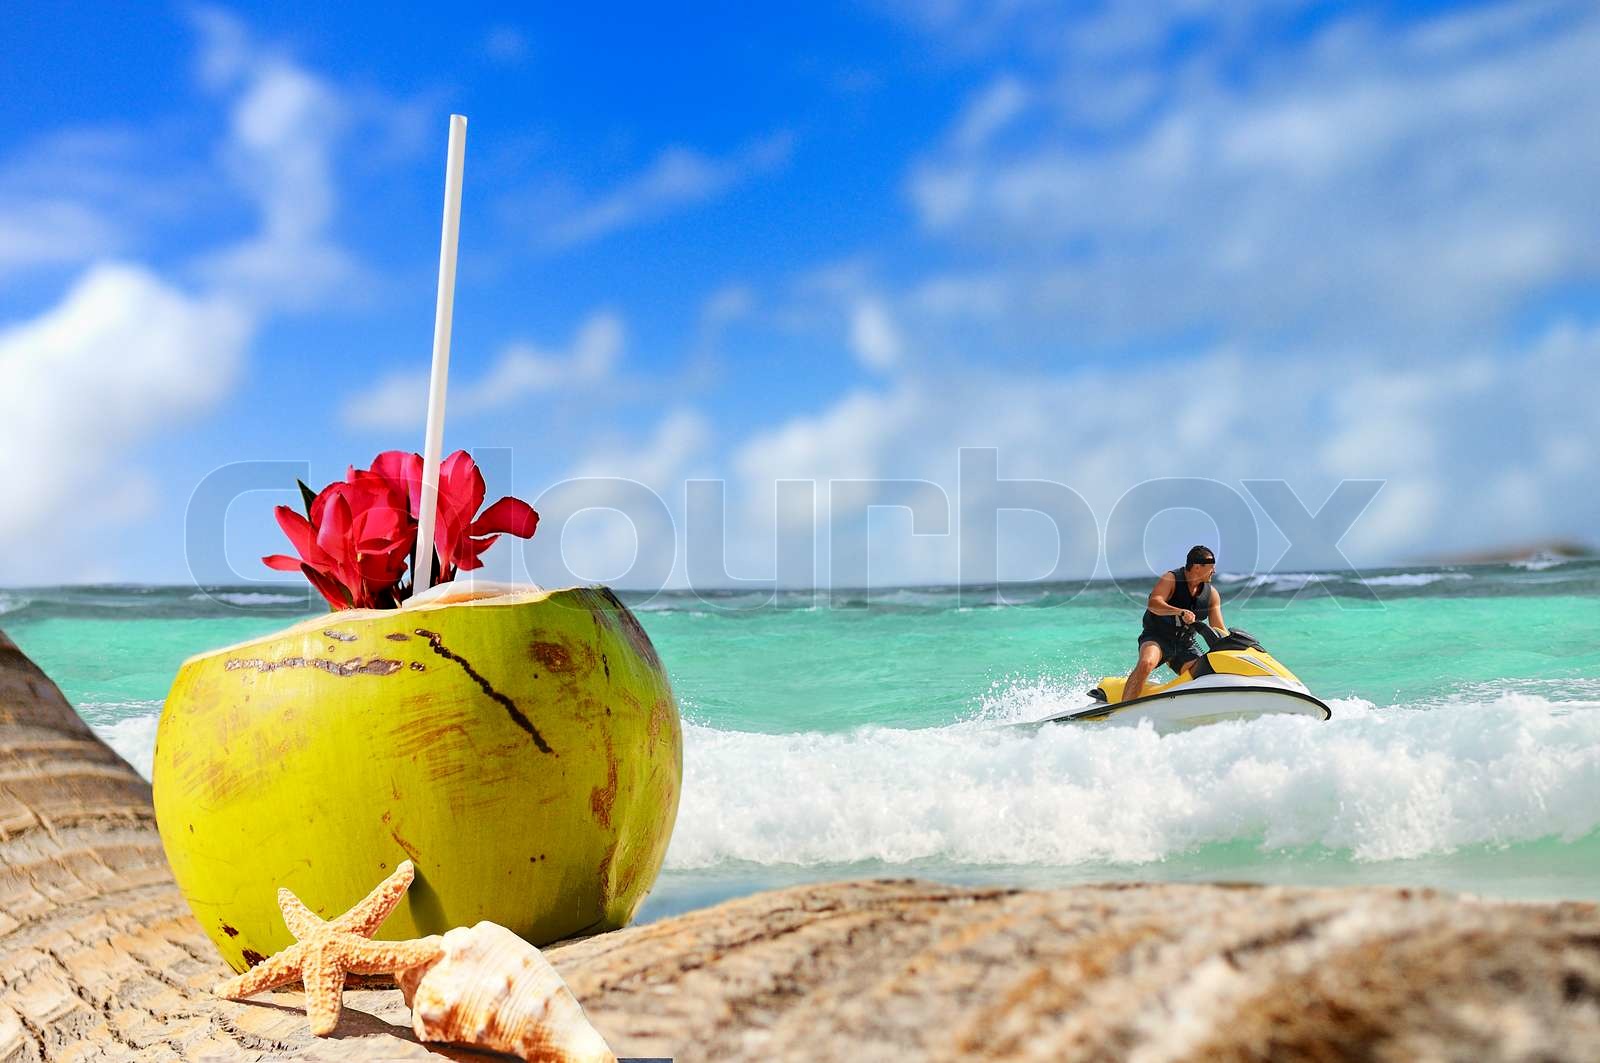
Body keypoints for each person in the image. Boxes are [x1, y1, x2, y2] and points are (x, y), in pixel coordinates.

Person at [1124, 545, 1228, 701]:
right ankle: (1123, 707)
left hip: (1185, 645)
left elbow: (1218, 628)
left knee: (1205, 674)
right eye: (1211, 567)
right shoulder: (1171, 579)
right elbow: (1154, 603)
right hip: (1157, 637)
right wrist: (1180, 611)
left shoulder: (1212, 594)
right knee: (1146, 663)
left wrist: (1234, 643)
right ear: (1197, 567)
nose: (1214, 571)